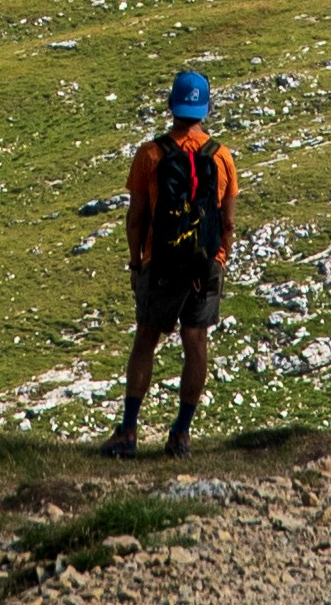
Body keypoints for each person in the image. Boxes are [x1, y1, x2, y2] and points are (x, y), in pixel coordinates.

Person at [106, 65, 236, 458]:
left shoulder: (150, 155)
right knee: (196, 340)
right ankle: (180, 433)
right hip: (205, 263)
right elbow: (227, 220)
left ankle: (128, 431)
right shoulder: (223, 157)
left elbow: (136, 218)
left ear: (171, 105)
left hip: (160, 262)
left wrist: (135, 263)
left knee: (146, 337)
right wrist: (220, 259)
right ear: (206, 109)